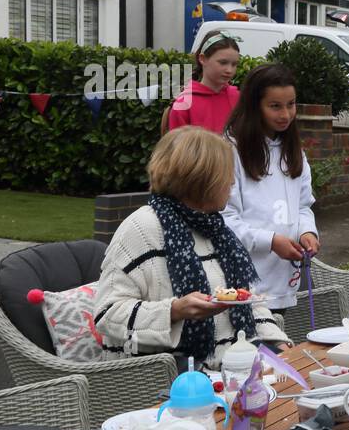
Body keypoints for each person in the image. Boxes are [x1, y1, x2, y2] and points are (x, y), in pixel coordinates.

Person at [94, 127, 290, 371]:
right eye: (226, 174)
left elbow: (248, 303)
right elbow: (107, 315)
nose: (231, 182)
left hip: (230, 365)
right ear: (200, 180)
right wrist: (174, 311)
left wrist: (276, 347)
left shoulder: (216, 229)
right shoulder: (141, 229)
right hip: (165, 375)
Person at [220, 63, 319, 314]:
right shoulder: (231, 150)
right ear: (254, 106)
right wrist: (270, 241)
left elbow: (303, 205)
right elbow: (224, 218)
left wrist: (308, 232)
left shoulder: (293, 150)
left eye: (291, 104)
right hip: (242, 284)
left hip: (282, 280)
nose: (285, 114)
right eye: (275, 106)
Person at [167, 31, 241, 134]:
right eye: (223, 63)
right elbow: (179, 148)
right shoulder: (183, 104)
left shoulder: (237, 97)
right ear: (202, 59)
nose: (229, 70)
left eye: (234, 64)